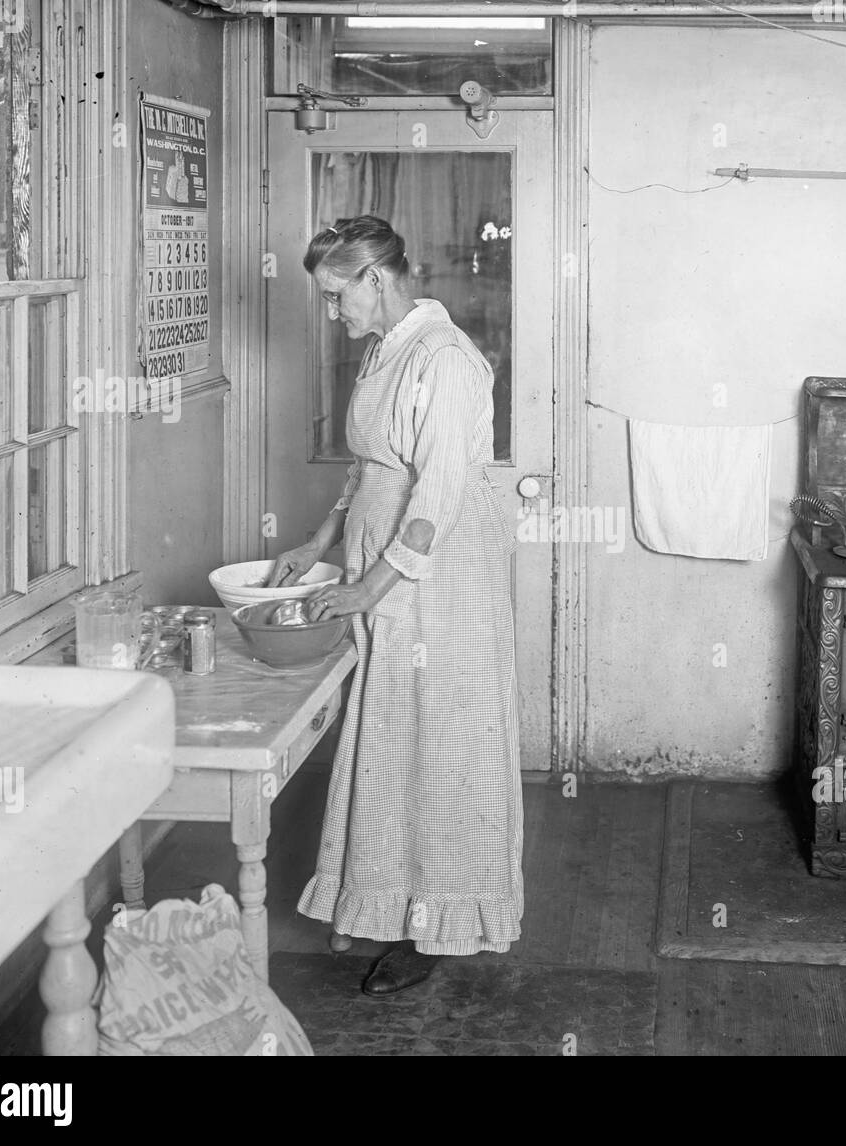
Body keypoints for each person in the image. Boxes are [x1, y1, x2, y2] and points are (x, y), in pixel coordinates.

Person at [269, 215, 523, 996]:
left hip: (437, 575)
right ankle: (381, 899)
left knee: (440, 745)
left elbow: (436, 496)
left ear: (376, 280)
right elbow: (368, 467)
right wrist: (318, 543)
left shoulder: (446, 360)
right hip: (381, 565)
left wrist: (369, 587)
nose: (332, 310)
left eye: (336, 294)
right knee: (391, 736)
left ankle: (439, 922)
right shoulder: (386, 349)